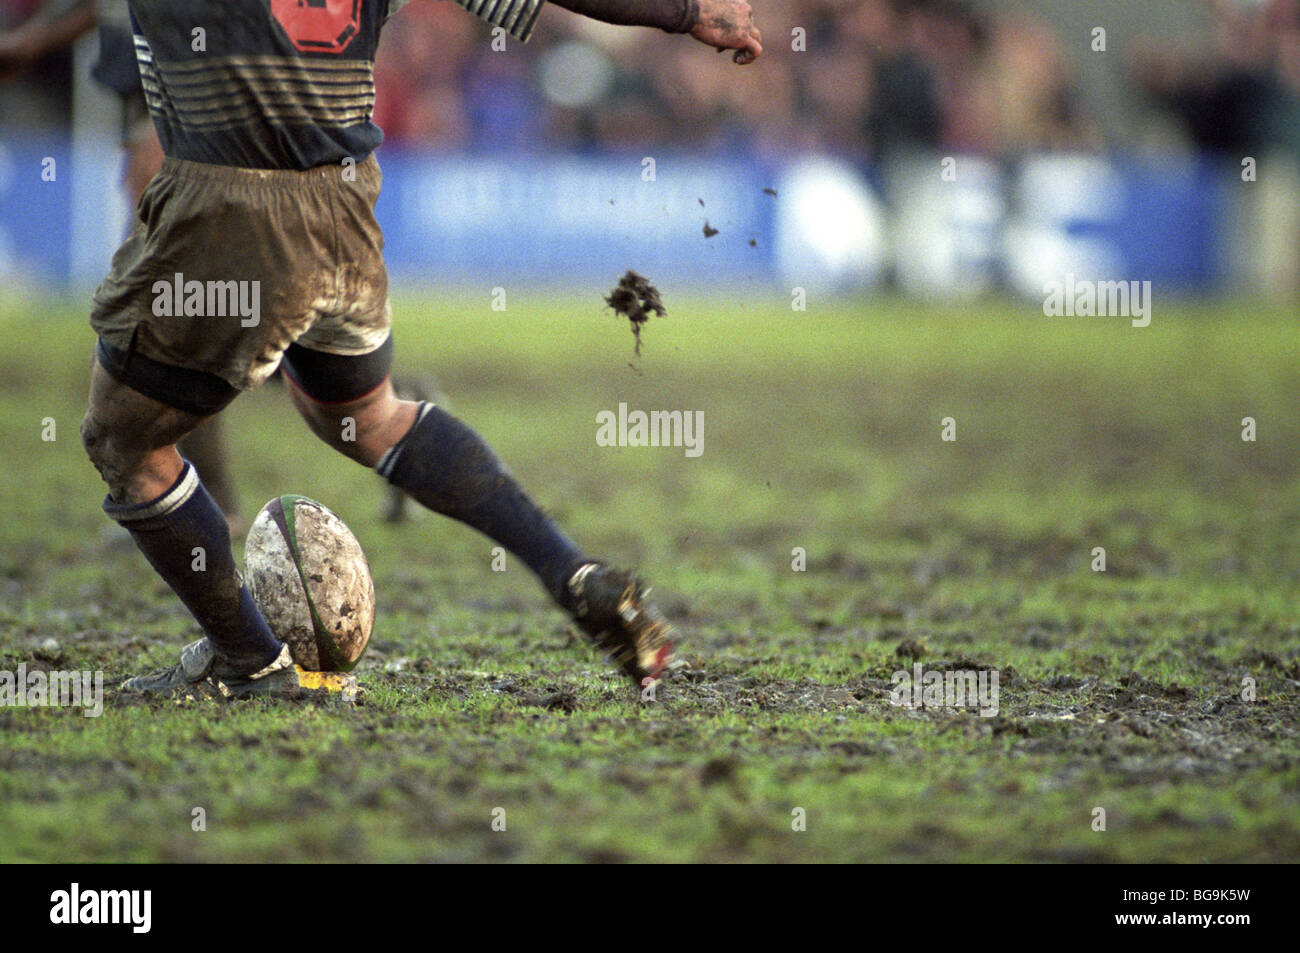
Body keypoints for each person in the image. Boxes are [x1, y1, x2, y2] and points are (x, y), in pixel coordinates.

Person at [80, 0, 763, 699]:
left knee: (125, 440)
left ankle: (250, 661)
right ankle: (574, 573)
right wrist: (684, 13)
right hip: (342, 198)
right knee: (366, 416)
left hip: (230, 203)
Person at [2, 0, 243, 528]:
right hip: (154, 113)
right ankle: (381, 405)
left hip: (194, 115)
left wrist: (171, 135)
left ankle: (197, 504)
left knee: (167, 313)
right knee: (187, 317)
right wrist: (28, 43)